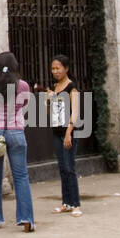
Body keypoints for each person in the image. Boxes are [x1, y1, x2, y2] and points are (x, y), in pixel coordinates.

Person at [0, 52, 33, 231]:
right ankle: (26, 219)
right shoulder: (23, 85)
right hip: (15, 130)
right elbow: (24, 104)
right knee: (21, 176)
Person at [46, 56, 82, 217]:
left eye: (58, 68)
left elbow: (75, 112)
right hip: (57, 131)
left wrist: (69, 133)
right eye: (53, 68)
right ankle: (66, 203)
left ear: (66, 68)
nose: (55, 71)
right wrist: (49, 101)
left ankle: (75, 204)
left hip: (69, 132)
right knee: (62, 168)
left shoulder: (71, 87)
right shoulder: (55, 87)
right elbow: (51, 113)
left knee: (70, 167)